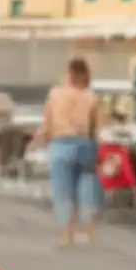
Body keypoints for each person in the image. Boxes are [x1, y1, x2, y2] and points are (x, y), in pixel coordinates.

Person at [35, 57, 103, 247]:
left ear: (69, 74)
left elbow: (47, 122)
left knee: (62, 191)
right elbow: (95, 128)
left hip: (60, 143)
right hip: (84, 143)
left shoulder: (56, 95)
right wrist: (96, 150)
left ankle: (67, 234)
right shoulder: (91, 97)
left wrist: (41, 139)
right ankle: (88, 232)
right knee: (86, 187)